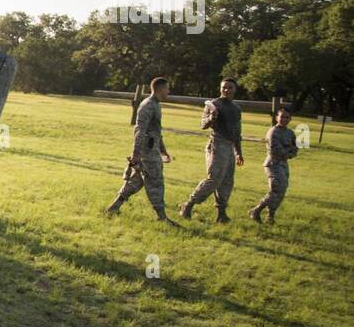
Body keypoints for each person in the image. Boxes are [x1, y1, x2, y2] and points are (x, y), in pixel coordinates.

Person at [106, 77, 175, 222]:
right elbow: (140, 131)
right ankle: (162, 217)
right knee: (156, 182)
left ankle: (113, 207)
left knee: (135, 181)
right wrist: (136, 153)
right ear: (160, 89)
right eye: (167, 88)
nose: (169, 91)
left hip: (151, 148)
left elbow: (156, 131)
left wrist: (163, 150)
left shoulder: (156, 105)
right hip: (147, 151)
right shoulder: (148, 105)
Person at [179, 77, 245, 223]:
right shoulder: (213, 104)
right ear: (220, 88)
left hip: (229, 147)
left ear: (235, 90)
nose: (226, 90)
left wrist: (238, 152)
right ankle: (188, 205)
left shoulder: (236, 108)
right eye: (224, 87)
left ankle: (221, 214)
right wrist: (211, 118)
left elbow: (237, 132)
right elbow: (203, 125)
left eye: (230, 88)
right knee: (213, 180)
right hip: (217, 144)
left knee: (227, 181)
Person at [249, 103, 300, 223]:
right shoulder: (273, 132)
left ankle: (270, 216)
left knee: (282, 191)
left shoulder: (290, 133)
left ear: (290, 119)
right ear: (277, 117)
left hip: (283, 165)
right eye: (282, 116)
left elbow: (295, 149)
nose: (284, 119)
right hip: (273, 164)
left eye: (287, 117)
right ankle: (256, 211)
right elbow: (275, 150)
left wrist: (289, 153)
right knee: (276, 190)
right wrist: (288, 152)